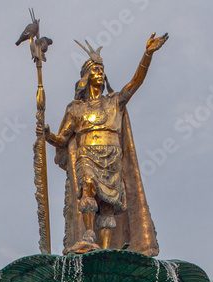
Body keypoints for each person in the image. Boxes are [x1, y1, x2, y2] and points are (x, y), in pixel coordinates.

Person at [42, 34, 167, 256]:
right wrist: (47, 134)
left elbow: (135, 83)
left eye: (102, 70)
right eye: (95, 70)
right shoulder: (75, 109)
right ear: (86, 77)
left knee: (108, 205)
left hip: (112, 156)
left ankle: (107, 250)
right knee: (87, 185)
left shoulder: (114, 102)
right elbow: (62, 139)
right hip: (86, 156)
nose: (100, 73)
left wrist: (147, 55)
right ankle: (89, 235)